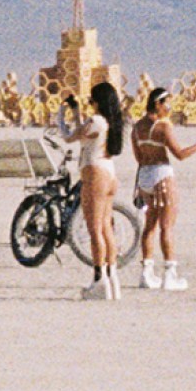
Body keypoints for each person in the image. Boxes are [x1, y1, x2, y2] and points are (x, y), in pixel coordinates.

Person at [132, 86, 196, 290]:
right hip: (162, 175)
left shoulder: (137, 127)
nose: (169, 108)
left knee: (150, 225)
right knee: (167, 226)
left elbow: (138, 157)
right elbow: (180, 154)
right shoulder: (163, 128)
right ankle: (169, 273)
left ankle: (146, 273)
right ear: (158, 104)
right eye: (166, 103)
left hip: (145, 177)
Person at [66, 82, 129, 300]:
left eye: (91, 101)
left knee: (94, 230)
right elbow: (83, 134)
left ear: (98, 102)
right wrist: (76, 112)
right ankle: (112, 278)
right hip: (109, 174)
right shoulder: (109, 123)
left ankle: (98, 279)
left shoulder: (96, 121)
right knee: (106, 228)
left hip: (94, 175)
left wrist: (60, 116)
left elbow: (70, 136)